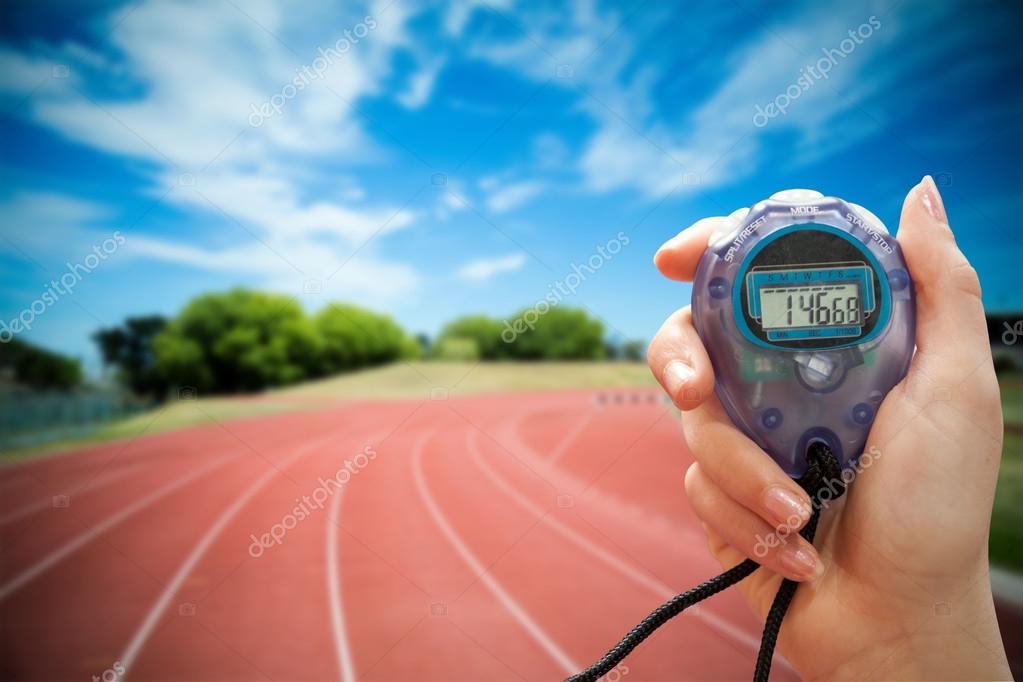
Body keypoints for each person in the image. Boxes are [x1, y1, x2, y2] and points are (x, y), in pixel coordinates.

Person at [647, 177, 1012, 680]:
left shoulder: (743, 270)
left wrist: (921, 632)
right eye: (791, 308)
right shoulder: (854, 260)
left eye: (830, 303)